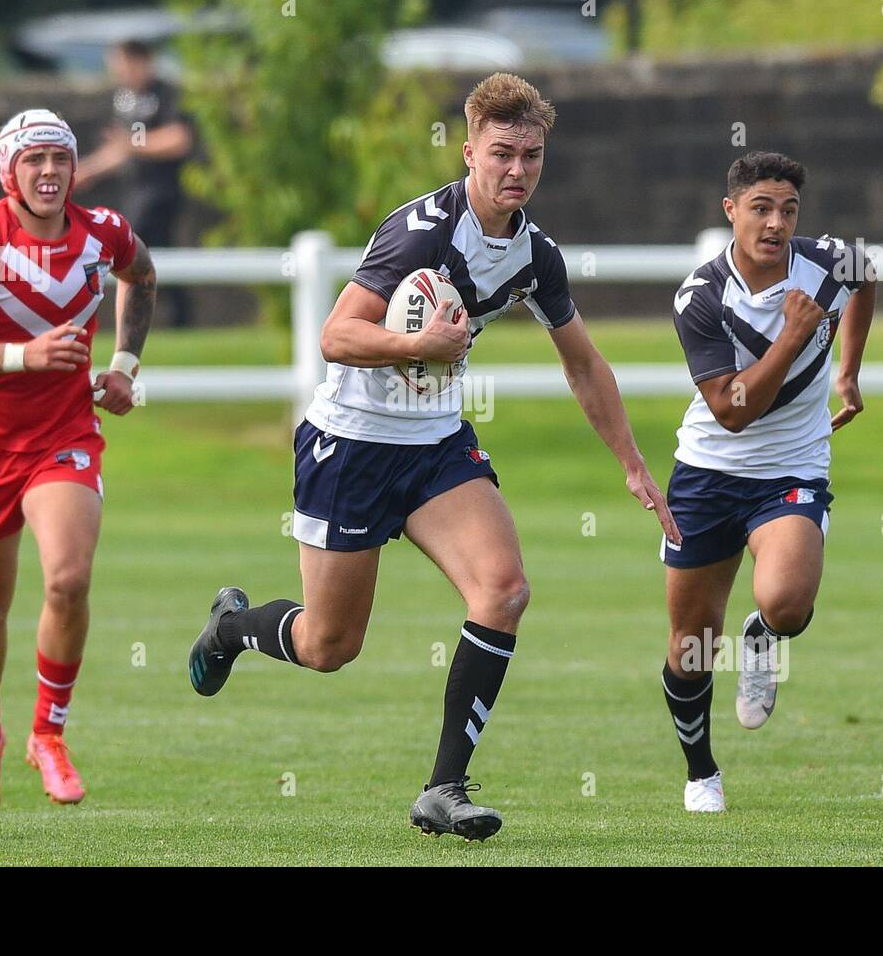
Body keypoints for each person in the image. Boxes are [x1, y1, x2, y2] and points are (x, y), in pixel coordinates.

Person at [187, 73, 681, 840]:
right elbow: (335, 335)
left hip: (436, 446)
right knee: (329, 644)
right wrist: (417, 344)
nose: (518, 171)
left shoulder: (533, 255)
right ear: (470, 150)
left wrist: (631, 461)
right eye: (503, 154)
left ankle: (444, 786)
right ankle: (230, 629)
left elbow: (583, 363)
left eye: (533, 156)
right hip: (349, 446)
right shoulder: (422, 231)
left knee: (504, 589)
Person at [0, 109, 158, 808]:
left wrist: (124, 367)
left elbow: (142, 274)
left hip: (64, 435)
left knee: (69, 580)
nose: (48, 171)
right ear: (7, 172)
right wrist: (25, 355)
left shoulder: (101, 231)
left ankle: (47, 733)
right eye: (32, 160)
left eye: (59, 158)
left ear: (74, 167)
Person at [661, 151, 876, 812]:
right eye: (760, 207)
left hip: (792, 469)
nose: (776, 222)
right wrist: (791, 336)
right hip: (707, 473)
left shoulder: (827, 261)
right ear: (731, 211)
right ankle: (701, 773)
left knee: (784, 601)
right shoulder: (700, 297)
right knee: (692, 643)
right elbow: (730, 411)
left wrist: (847, 369)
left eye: (788, 209)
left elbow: (866, 277)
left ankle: (765, 636)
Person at [78, 38, 193, 325]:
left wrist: (133, 144)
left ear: (140, 61)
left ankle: (147, 318)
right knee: (154, 254)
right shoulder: (125, 100)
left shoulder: (166, 94)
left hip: (161, 191)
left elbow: (178, 139)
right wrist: (87, 171)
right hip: (136, 190)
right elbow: (121, 149)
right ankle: (175, 319)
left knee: (132, 247)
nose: (118, 72)